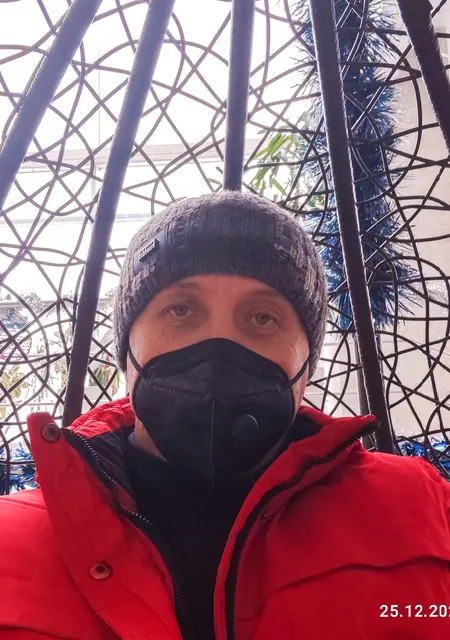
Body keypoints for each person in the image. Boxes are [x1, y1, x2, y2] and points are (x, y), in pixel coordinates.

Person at [1, 191, 450, 640]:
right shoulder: (9, 545)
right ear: (126, 350)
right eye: (180, 310)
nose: (219, 345)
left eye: (262, 318)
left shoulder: (423, 512)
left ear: (306, 366)